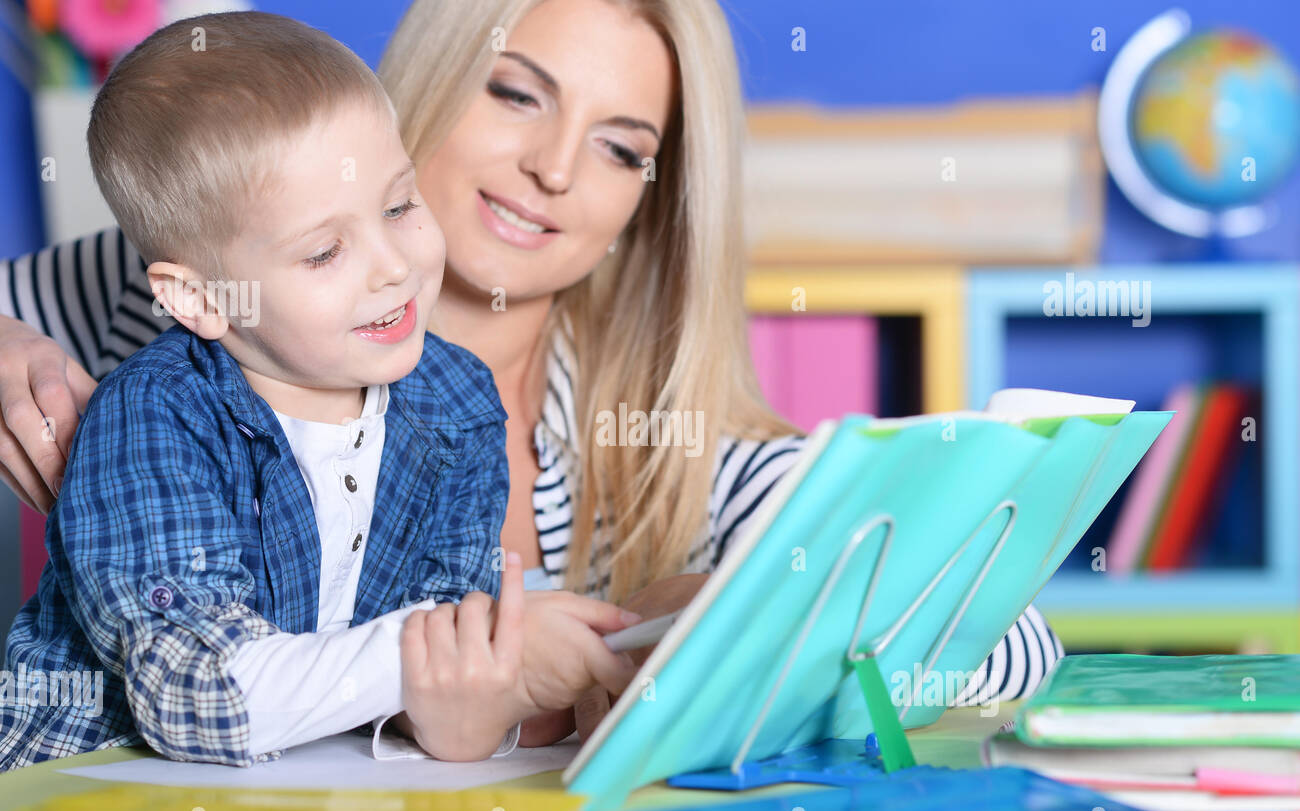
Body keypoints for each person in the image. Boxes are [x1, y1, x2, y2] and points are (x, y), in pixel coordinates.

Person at [0, 0, 1062, 749]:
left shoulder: (666, 439)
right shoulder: (202, 293)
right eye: (516, 94)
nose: (554, 168)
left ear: (649, 201)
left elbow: (1005, 635)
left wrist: (726, 624)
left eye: (618, 148)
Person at [0, 12, 637, 772]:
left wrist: (476, 699)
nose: (392, 266)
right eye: (325, 251)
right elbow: (194, 692)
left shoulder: (456, 402)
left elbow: (429, 685)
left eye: (399, 205)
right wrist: (416, 658)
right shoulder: (151, 415)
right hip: (81, 797)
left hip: (308, 805)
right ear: (202, 299)